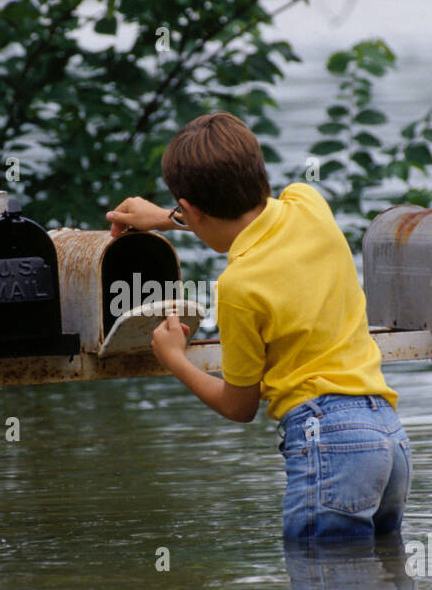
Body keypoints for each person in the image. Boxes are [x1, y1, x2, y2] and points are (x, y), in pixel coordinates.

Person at [106, 111, 412, 538]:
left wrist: (175, 360)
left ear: (192, 210)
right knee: (378, 588)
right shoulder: (309, 203)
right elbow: (252, 220)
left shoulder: (238, 287)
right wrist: (169, 217)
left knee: (323, 587)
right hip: (388, 433)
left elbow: (239, 406)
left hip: (327, 438)